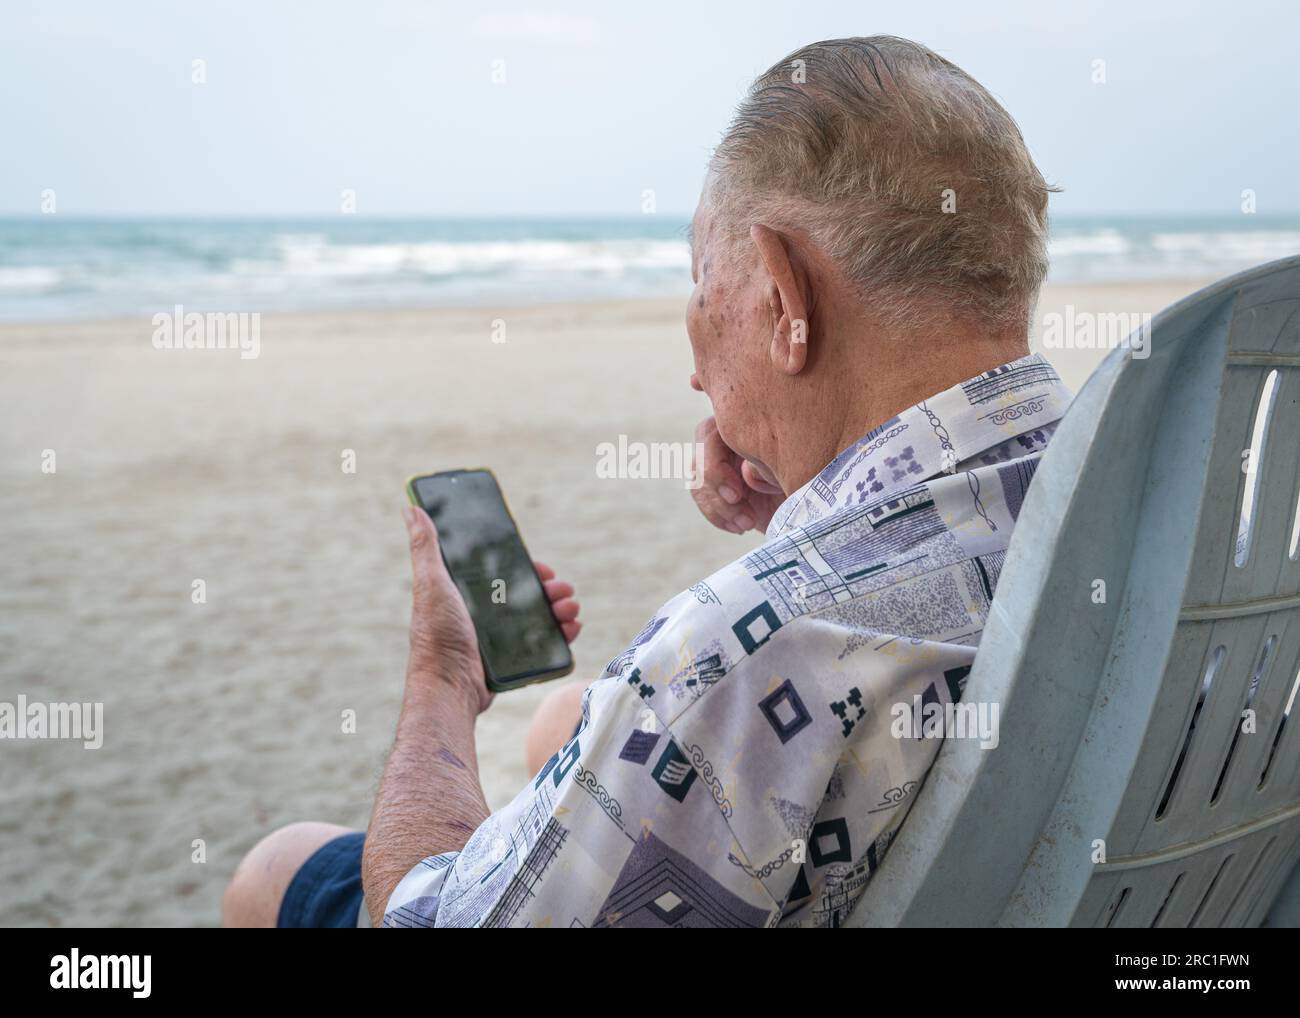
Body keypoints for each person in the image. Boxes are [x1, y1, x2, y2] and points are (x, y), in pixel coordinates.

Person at [224, 35, 1070, 928]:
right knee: (563, 719)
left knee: (279, 866)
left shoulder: (732, 654)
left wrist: (443, 675)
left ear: (785, 299)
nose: (697, 374)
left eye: (704, 280)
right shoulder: (1121, 498)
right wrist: (816, 517)